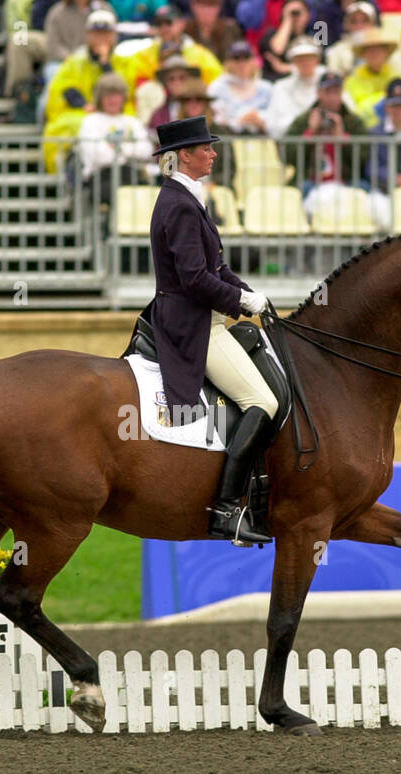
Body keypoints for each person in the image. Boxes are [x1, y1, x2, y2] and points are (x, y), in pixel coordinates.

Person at [147, 114, 277, 544]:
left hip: (206, 313)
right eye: (206, 148)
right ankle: (225, 510)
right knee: (262, 400)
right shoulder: (179, 204)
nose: (213, 153)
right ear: (184, 155)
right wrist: (242, 301)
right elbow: (195, 280)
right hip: (194, 323)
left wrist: (249, 292)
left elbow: (217, 268)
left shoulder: (189, 197)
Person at [283, 72, 368, 193]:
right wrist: (310, 133)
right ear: (318, 93)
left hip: (346, 181)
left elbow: (365, 159)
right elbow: (287, 156)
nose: (332, 97)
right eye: (328, 92)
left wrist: (343, 139)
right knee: (298, 191)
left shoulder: (353, 122)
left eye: (336, 92)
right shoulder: (303, 121)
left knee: (363, 188)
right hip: (310, 182)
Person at [45, 9, 124, 124]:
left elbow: (125, 92)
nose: (100, 38)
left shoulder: (125, 61)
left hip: (117, 115)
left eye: (105, 33)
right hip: (79, 114)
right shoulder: (74, 62)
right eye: (96, 33)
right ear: (88, 35)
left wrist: (105, 64)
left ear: (113, 36)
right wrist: (83, 105)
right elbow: (63, 88)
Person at [75, 72, 153, 185]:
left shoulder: (132, 121)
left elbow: (146, 150)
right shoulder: (90, 121)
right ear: (99, 98)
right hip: (100, 178)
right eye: (107, 95)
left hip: (132, 174)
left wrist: (119, 149)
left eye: (117, 95)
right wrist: (129, 153)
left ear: (123, 97)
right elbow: (99, 156)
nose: (113, 100)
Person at [262, 37, 324, 137]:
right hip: (294, 145)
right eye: (300, 58)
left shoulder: (329, 83)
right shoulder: (281, 87)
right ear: (293, 61)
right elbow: (275, 125)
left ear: (317, 59)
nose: (305, 62)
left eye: (309, 57)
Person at [208, 40, 272, 135]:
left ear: (253, 61)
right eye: (236, 58)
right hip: (229, 141)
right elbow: (215, 119)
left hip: (262, 140)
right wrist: (238, 122)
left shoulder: (266, 88)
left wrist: (261, 123)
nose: (241, 64)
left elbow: (276, 118)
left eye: (246, 58)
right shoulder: (217, 88)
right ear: (228, 62)